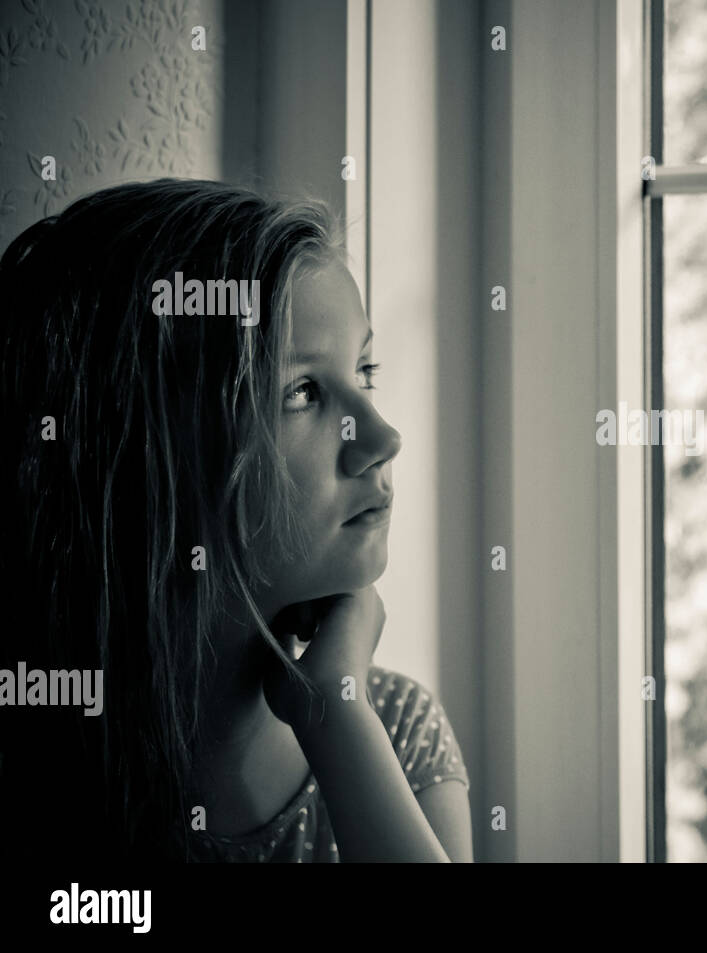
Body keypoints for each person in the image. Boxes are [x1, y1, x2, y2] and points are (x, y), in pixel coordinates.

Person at [0, 179, 472, 862]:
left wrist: (335, 714)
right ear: (148, 452)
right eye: (302, 391)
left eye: (364, 370)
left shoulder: (396, 735)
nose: (381, 436)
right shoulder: (36, 761)